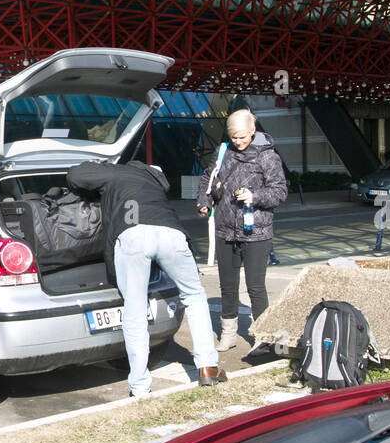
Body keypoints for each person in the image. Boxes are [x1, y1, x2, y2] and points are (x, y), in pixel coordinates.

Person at [66, 159, 226, 398]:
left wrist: (98, 167)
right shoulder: (154, 180)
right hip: (171, 234)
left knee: (135, 309)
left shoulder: (114, 173)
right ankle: (208, 367)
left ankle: (140, 386)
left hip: (133, 235)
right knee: (194, 295)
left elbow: (75, 175)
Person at [198, 108, 288, 354]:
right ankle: (228, 334)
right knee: (227, 286)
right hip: (225, 228)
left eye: (243, 137)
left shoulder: (267, 156)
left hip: (256, 232)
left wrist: (254, 196)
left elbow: (280, 192)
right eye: (234, 137)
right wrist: (204, 202)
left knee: (255, 287)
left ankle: (263, 337)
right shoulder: (223, 152)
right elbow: (208, 179)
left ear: (253, 131)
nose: (238, 142)